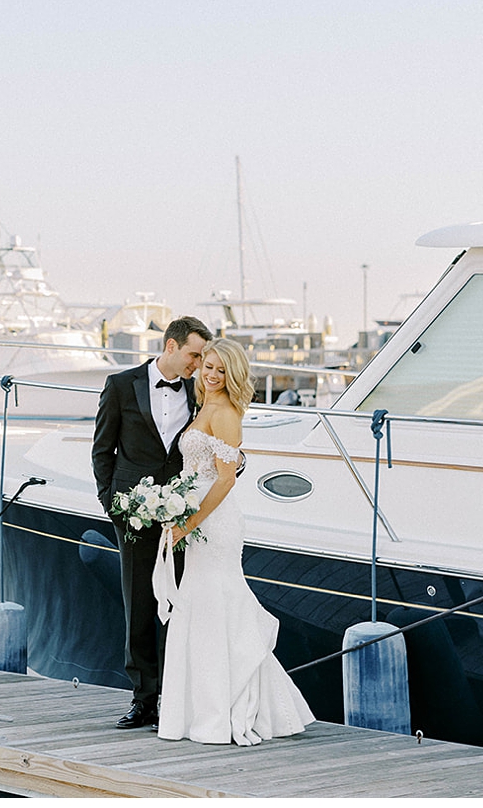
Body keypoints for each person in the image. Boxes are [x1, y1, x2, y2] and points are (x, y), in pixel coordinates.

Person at [155, 337, 315, 745]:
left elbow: (226, 478)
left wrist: (188, 523)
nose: (210, 374)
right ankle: (198, 711)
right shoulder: (204, 404)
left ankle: (224, 711)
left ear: (233, 374)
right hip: (197, 518)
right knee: (200, 604)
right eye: (207, 366)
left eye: (220, 370)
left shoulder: (226, 411)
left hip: (215, 523)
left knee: (216, 604)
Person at [91, 314, 211, 730]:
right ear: (172, 346)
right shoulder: (121, 385)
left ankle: (179, 696)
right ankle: (144, 699)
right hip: (133, 511)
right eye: (195, 355)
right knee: (139, 602)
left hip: (185, 512)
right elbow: (102, 450)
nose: (198, 363)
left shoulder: (200, 391)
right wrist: (112, 504)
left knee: (182, 601)